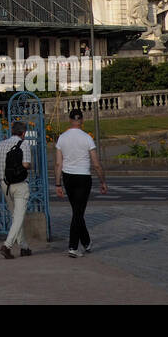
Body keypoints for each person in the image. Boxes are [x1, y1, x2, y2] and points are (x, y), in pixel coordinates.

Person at [54, 107, 106, 257]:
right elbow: (96, 163)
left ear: (70, 120)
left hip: (68, 176)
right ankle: (72, 246)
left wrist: (58, 184)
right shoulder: (87, 138)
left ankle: (86, 242)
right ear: (81, 120)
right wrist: (102, 181)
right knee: (78, 212)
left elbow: (58, 163)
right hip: (83, 176)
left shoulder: (62, 138)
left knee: (77, 211)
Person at [0, 120, 32, 259]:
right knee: (19, 216)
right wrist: (29, 166)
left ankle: (24, 247)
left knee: (15, 216)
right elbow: (25, 164)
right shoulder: (24, 144)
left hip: (4, 184)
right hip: (20, 184)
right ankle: (7, 245)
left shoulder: (1, 144)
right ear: (23, 133)